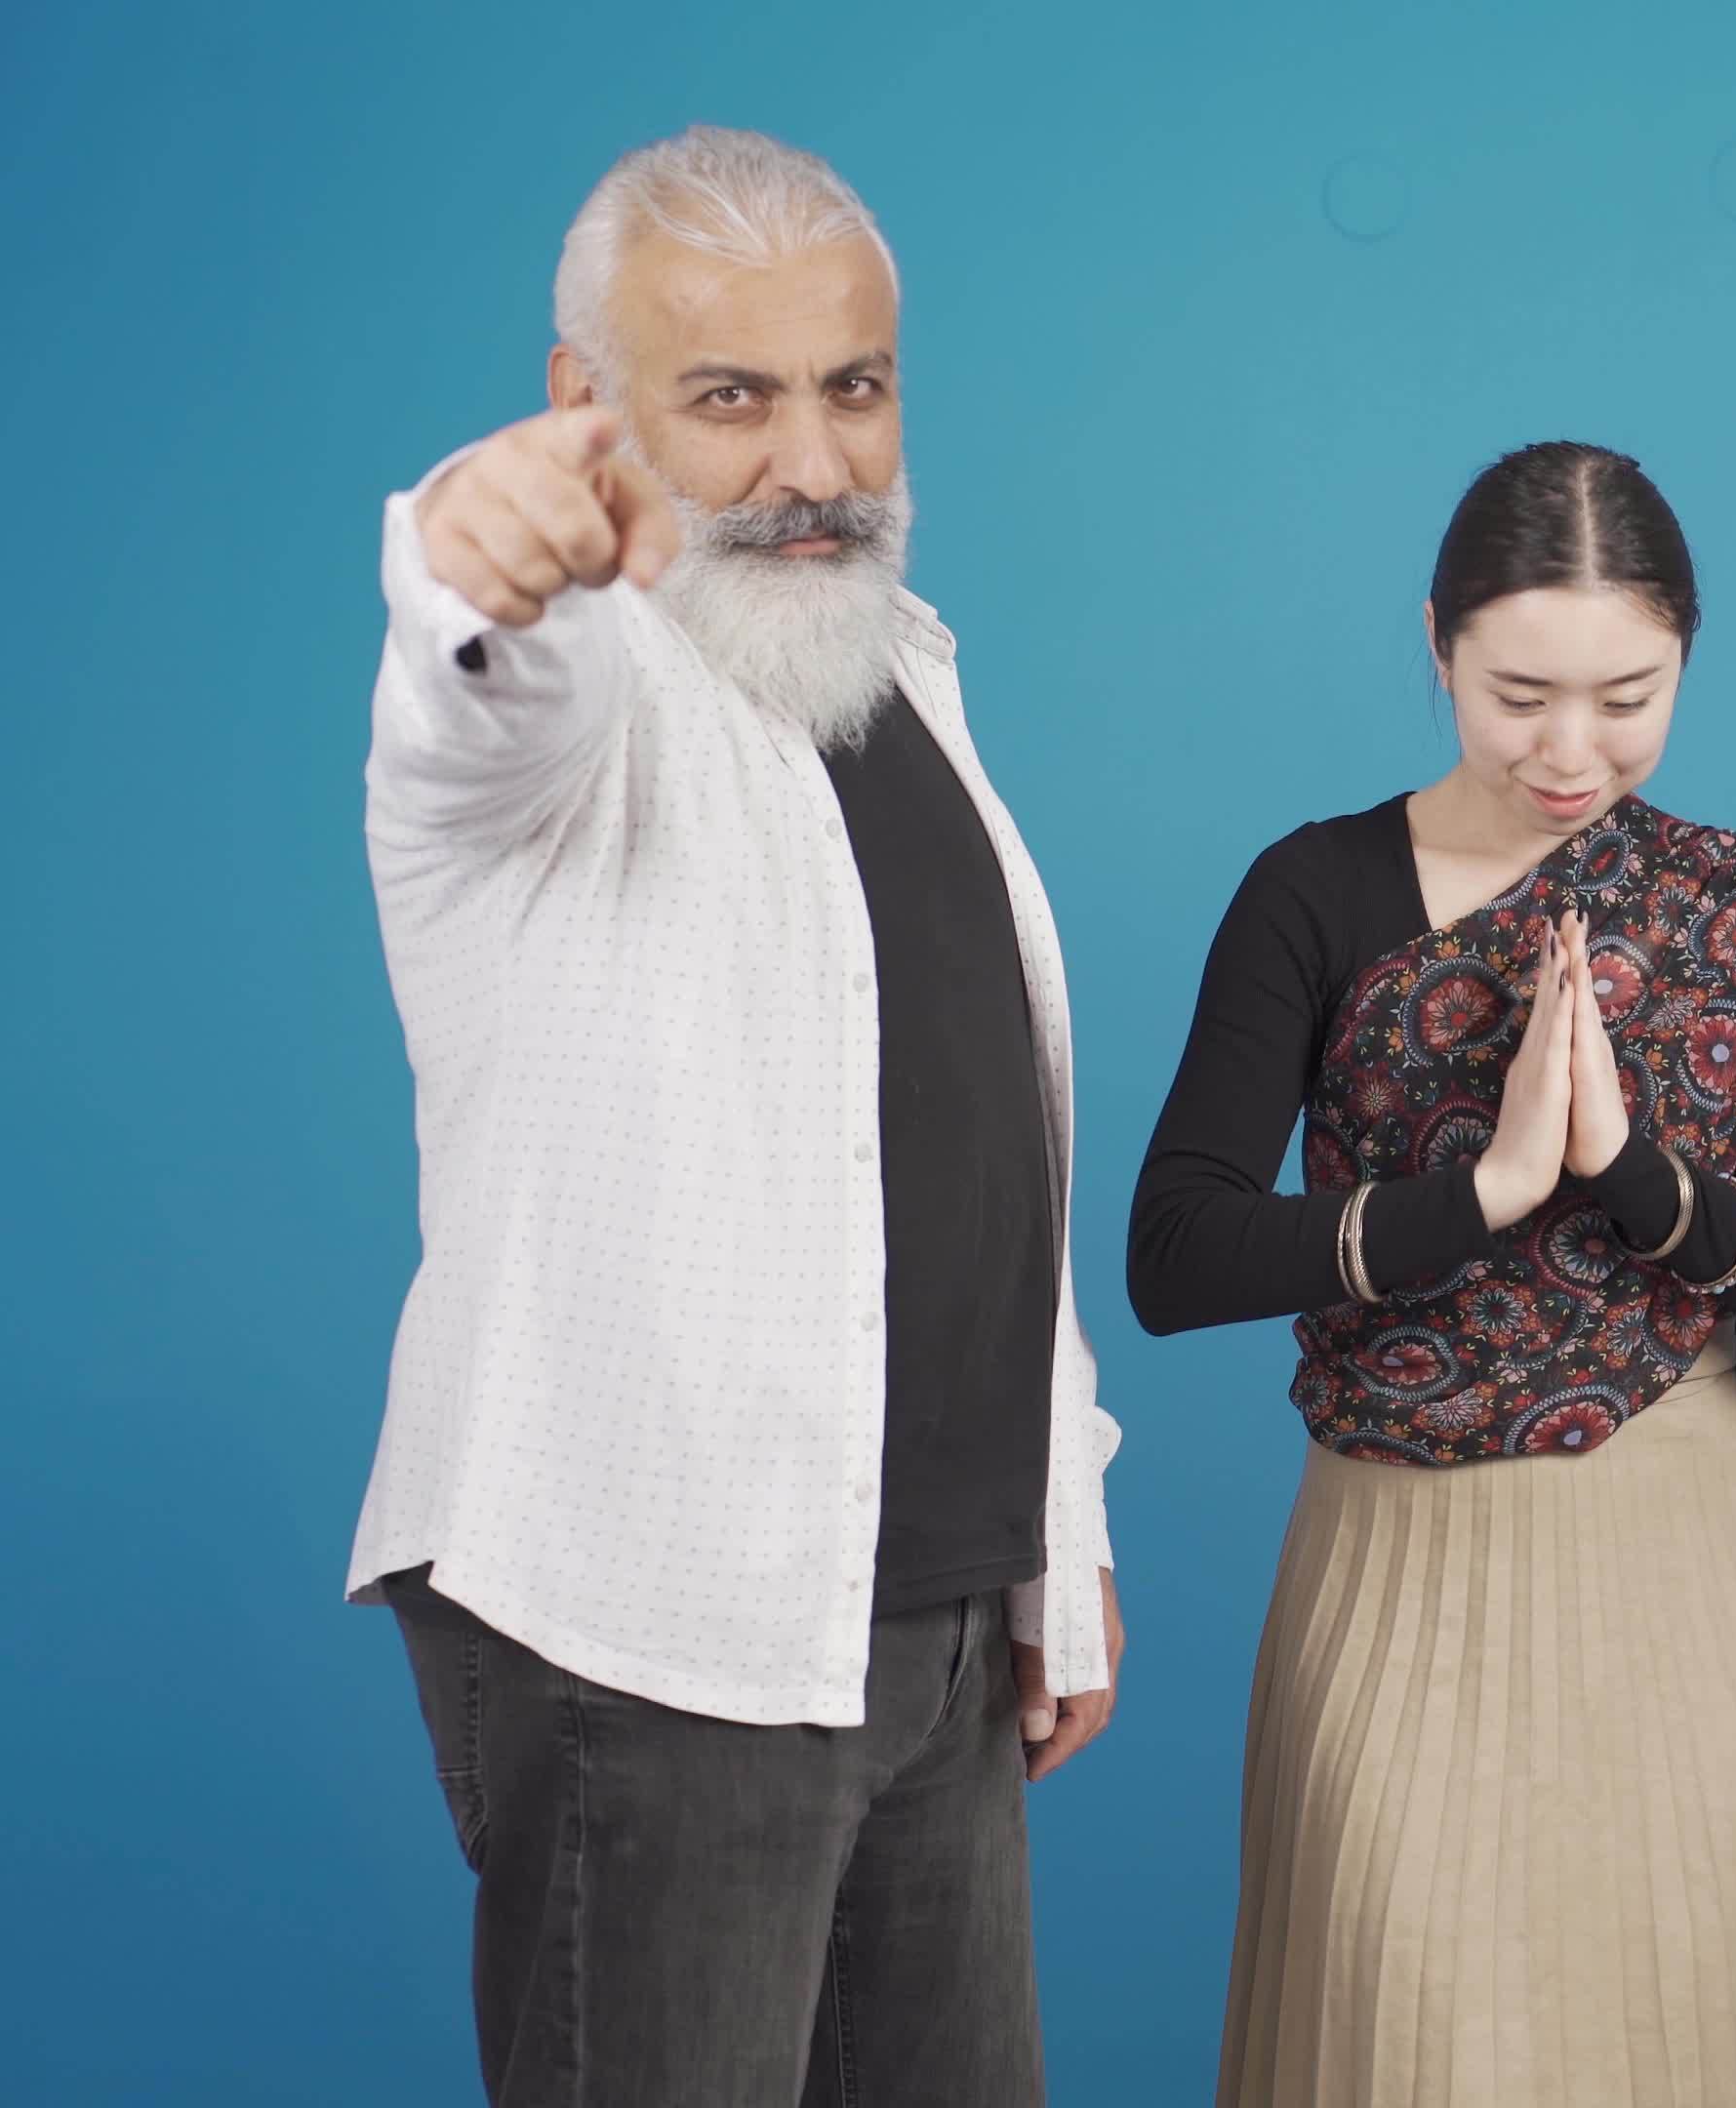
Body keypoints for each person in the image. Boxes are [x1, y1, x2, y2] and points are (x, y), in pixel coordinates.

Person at [345, 126, 1121, 2105]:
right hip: (653, 1635)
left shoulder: (905, 685)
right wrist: (480, 547)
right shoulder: (575, 715)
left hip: (937, 1627)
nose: (815, 466)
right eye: (730, 399)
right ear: (587, 410)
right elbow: (482, 671)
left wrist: (1061, 1512)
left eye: (852, 387)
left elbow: (972, 1142)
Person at [1127, 440, 1736, 2108]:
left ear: (1689, 653)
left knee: (1689, 2036)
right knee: (1406, 2041)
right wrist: (1480, 1191)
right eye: (1519, 696)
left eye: (1628, 697)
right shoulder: (1312, 891)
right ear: (1437, 647)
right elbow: (1175, 1253)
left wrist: (1636, 1180)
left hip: (1684, 1568)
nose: (1573, 754)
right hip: (1395, 1559)